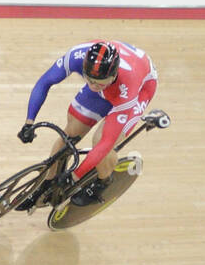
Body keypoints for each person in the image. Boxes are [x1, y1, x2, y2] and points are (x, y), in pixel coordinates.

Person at [17, 40, 158, 208]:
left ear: (113, 75)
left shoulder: (128, 86)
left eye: (99, 83)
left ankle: (103, 182)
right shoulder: (77, 56)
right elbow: (45, 82)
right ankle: (46, 183)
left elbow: (105, 143)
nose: (93, 85)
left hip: (139, 89)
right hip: (112, 84)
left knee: (100, 141)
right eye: (89, 80)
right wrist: (29, 122)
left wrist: (74, 176)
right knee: (70, 133)